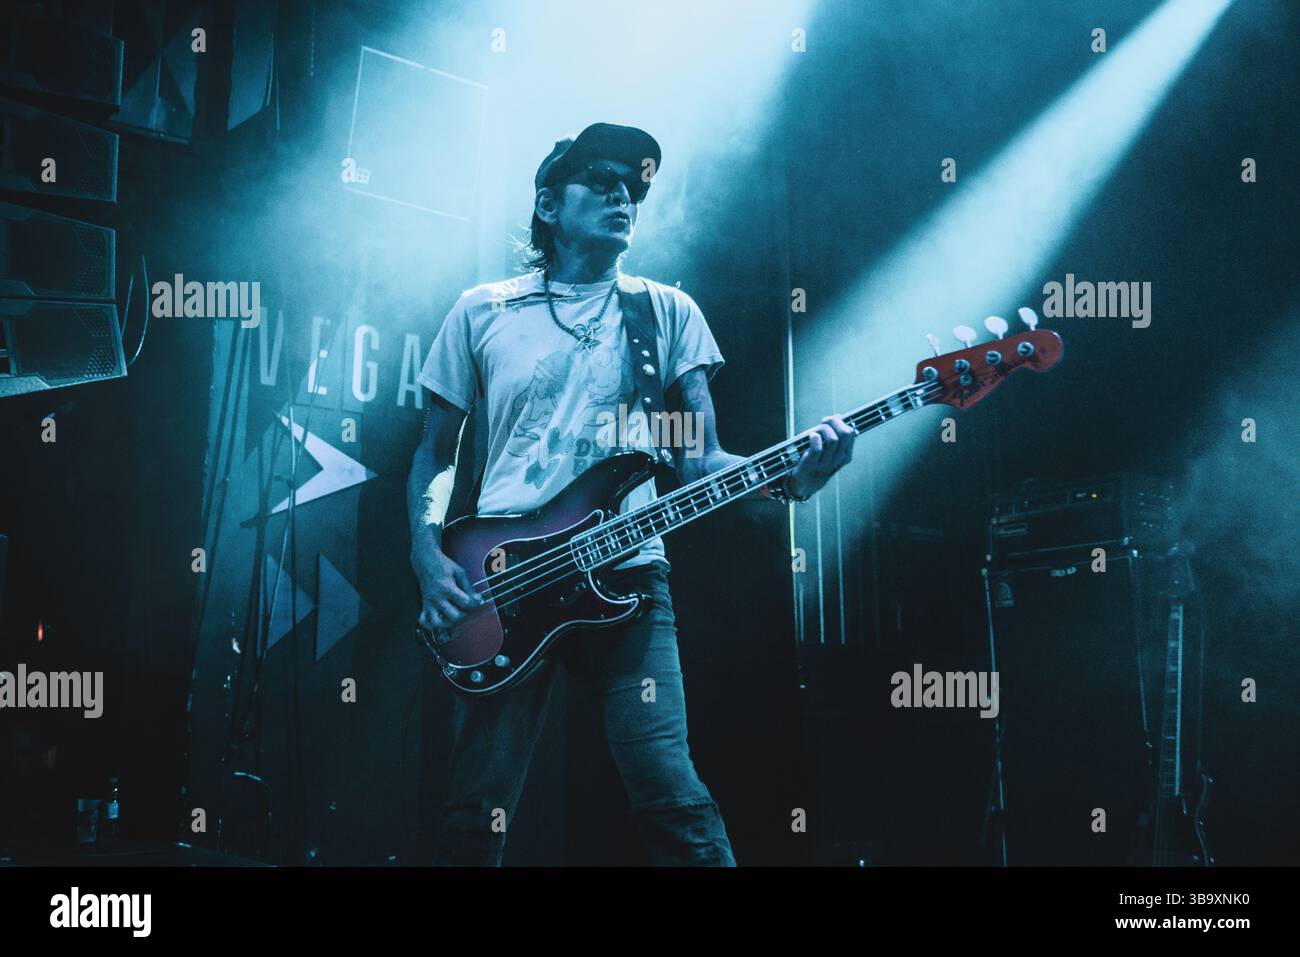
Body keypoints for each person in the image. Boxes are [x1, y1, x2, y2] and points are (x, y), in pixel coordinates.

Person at [407, 123, 855, 865]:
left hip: (630, 575)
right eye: (602, 178)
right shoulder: (483, 310)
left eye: (634, 186)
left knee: (673, 795)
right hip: (500, 582)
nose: (624, 193)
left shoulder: (664, 314)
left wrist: (791, 477)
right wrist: (429, 557)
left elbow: (696, 459)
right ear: (548, 204)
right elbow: (433, 453)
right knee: (473, 813)